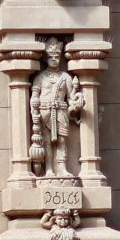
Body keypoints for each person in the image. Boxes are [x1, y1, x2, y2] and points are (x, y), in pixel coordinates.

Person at [28, 37, 84, 178]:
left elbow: (71, 98)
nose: (54, 59)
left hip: (61, 111)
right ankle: (48, 170)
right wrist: (34, 111)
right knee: (46, 141)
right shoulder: (40, 77)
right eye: (51, 57)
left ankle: (62, 168)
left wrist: (77, 102)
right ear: (45, 59)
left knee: (61, 141)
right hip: (45, 112)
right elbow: (35, 96)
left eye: (57, 57)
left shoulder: (66, 77)